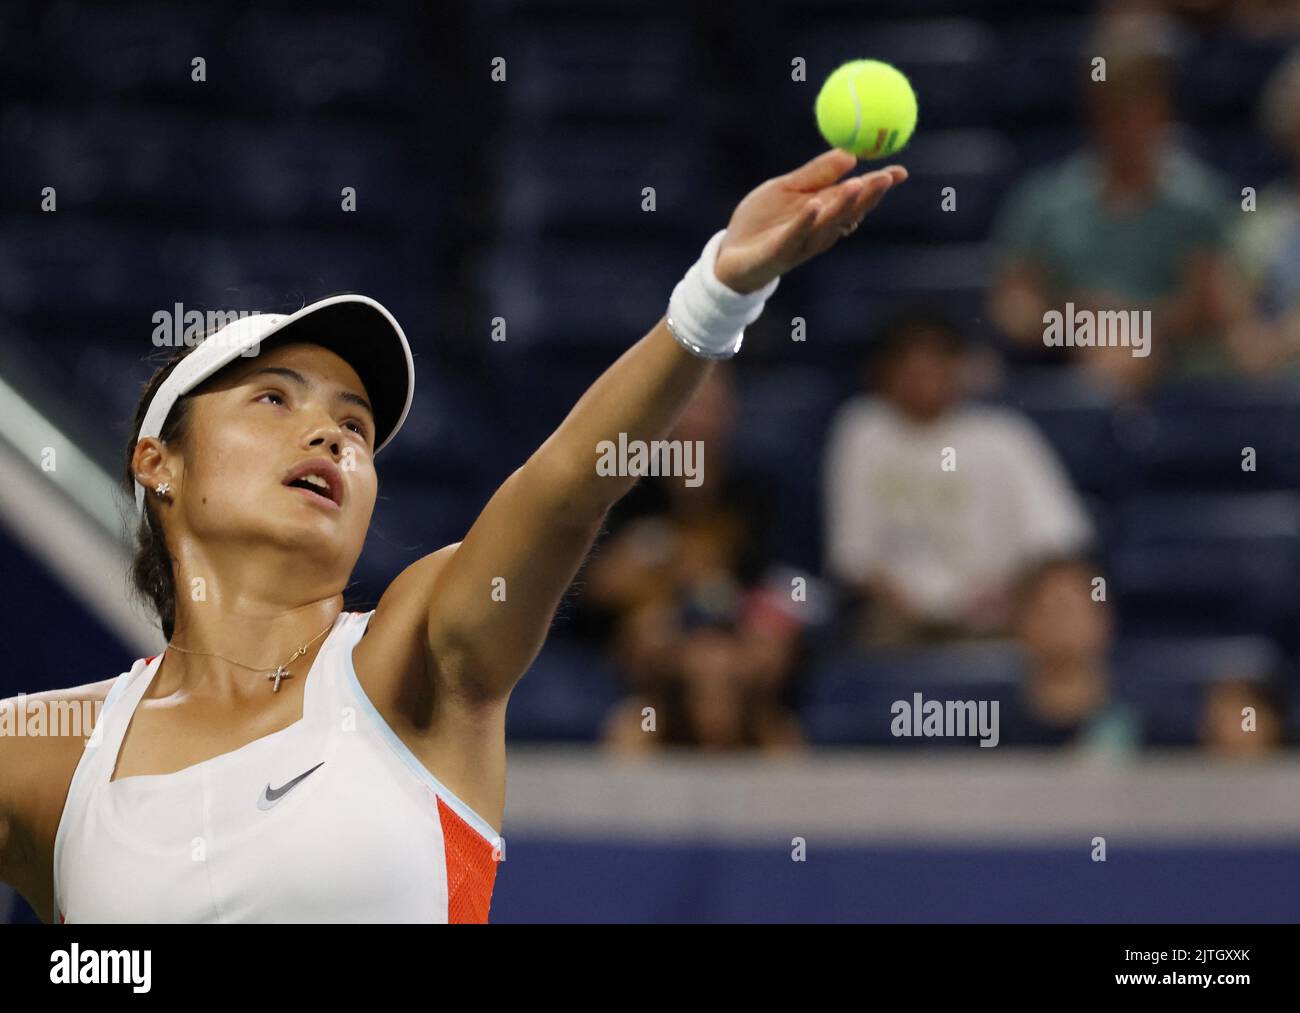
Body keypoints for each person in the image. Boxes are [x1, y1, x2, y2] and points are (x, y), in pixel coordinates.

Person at [0, 149, 906, 923]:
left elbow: (560, 492)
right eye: (274, 398)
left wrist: (715, 296)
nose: (329, 436)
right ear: (158, 462)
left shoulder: (415, 655)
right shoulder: (43, 749)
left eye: (354, 426)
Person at [987, 14, 1237, 392]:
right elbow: (1011, 310)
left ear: (1163, 108)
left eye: (1142, 101)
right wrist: (1074, 321)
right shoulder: (1044, 199)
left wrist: (1136, 324)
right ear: (1093, 110)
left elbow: (1222, 309)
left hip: (1180, 379)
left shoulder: (1200, 201)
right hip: (1068, 365)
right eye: (1115, 105)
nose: (1128, 121)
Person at [822, 312, 1094, 644]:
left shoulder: (1003, 435)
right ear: (884, 371)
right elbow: (853, 559)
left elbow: (1058, 540)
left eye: (936, 360)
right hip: (896, 615)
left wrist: (1008, 597)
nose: (923, 374)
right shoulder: (863, 429)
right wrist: (909, 607)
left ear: (960, 368)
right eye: (909, 362)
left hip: (997, 615)